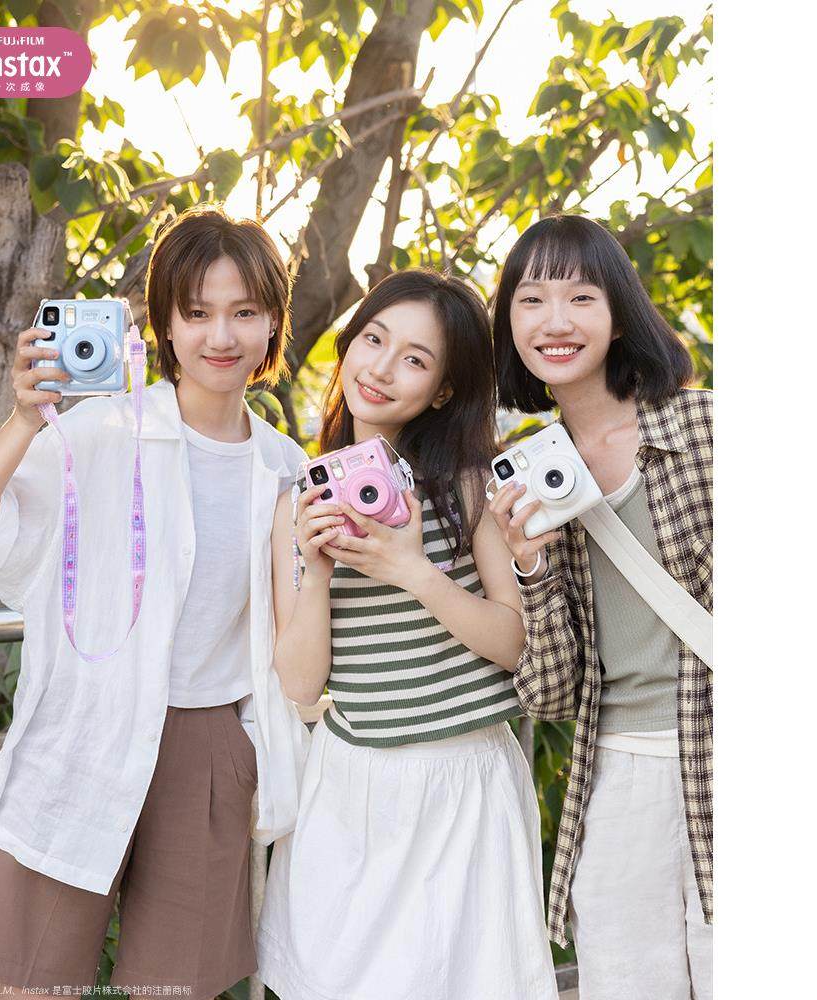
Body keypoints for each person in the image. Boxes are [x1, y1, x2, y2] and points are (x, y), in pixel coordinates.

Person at [0, 205, 309, 999]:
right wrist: (23, 421)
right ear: (164, 327)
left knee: (174, 991)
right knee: (35, 987)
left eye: (244, 312)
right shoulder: (100, 431)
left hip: (207, 745)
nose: (220, 336)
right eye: (197, 312)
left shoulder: (286, 468)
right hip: (84, 728)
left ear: (272, 325)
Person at [256, 270, 559, 1000]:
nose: (382, 369)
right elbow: (299, 682)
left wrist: (415, 571)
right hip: (352, 789)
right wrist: (315, 572)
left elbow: (517, 644)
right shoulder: (300, 501)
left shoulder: (469, 486)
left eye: (415, 359)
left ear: (444, 390)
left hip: (465, 783)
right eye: (373, 339)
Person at [488, 214, 712, 1000]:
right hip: (616, 776)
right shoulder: (525, 477)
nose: (555, 320)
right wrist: (529, 563)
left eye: (581, 297)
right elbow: (549, 694)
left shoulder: (709, 429)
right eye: (531, 300)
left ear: (618, 314)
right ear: (509, 324)